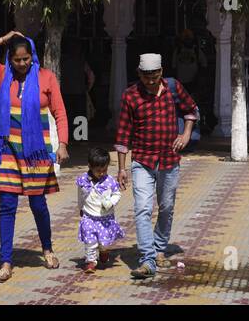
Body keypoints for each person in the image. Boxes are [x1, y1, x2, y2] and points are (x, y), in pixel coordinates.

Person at [0, 30, 69, 284]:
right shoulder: (2, 75)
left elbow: (60, 112)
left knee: (38, 205)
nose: (22, 64)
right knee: (7, 207)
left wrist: (63, 144)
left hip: (36, 155)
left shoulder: (46, 77)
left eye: (26, 59)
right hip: (9, 153)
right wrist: (4, 38)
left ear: (32, 56)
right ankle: (5, 261)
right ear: (10, 59)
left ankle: (47, 249)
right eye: (17, 59)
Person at [115, 52, 199, 280]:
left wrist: (186, 134)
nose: (150, 81)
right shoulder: (130, 95)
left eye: (154, 76)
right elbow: (123, 133)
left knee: (167, 206)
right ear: (139, 74)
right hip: (142, 161)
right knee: (142, 208)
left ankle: (160, 245)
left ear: (161, 72)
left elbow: (192, 110)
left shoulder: (173, 88)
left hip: (169, 160)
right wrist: (122, 168)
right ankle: (147, 259)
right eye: (146, 77)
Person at [76, 147, 123, 273]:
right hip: (89, 217)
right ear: (90, 166)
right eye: (98, 171)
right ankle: (91, 261)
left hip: (105, 218)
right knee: (90, 241)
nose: (101, 173)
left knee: (104, 242)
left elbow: (117, 194)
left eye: (104, 170)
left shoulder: (110, 181)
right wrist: (80, 207)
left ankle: (103, 251)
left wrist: (111, 202)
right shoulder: (83, 181)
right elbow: (80, 195)